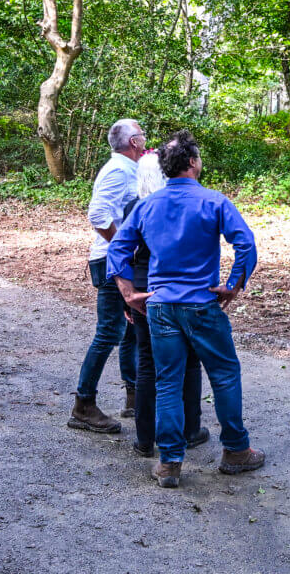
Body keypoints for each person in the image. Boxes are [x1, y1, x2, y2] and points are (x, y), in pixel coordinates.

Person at [109, 130, 264, 488]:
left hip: (161, 307)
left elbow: (118, 249)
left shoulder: (148, 205)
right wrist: (233, 285)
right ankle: (236, 451)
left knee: (167, 382)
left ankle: (170, 463)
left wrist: (128, 292)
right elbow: (246, 243)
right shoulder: (214, 201)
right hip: (201, 305)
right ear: (193, 162)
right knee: (224, 374)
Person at [121, 150, 210, 457]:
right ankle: (189, 429)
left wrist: (126, 295)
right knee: (188, 360)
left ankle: (144, 438)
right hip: (177, 289)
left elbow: (123, 252)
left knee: (147, 361)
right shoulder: (178, 204)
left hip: (142, 288)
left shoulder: (135, 206)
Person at [68, 119, 143, 433]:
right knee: (109, 332)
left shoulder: (130, 169)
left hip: (119, 259)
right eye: (141, 132)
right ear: (133, 142)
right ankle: (84, 405)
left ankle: (134, 397)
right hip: (111, 261)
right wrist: (122, 246)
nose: (146, 137)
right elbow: (97, 214)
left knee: (129, 329)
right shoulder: (117, 171)